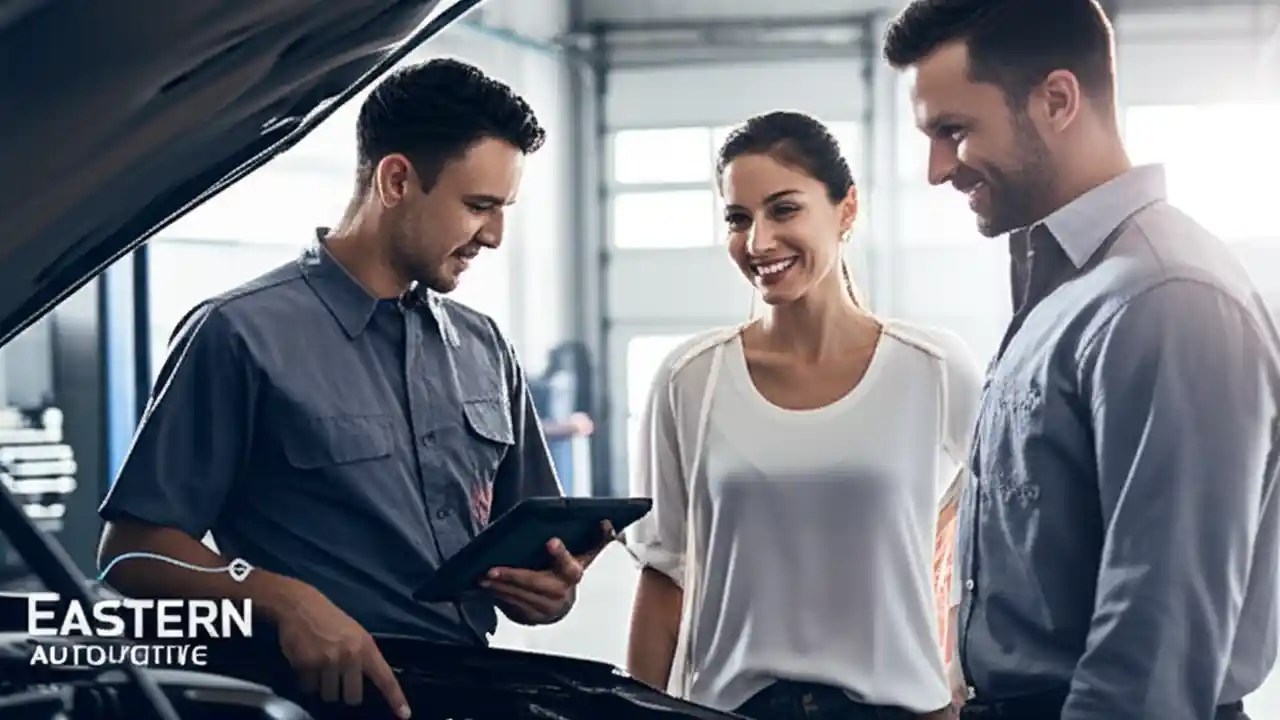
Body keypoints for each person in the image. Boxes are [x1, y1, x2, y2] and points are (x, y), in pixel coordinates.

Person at [96, 58, 610, 718]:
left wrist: (551, 589)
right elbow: (132, 550)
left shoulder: (486, 348)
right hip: (313, 704)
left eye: (503, 210)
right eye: (479, 206)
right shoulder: (238, 334)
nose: (494, 235)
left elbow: (536, 551)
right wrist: (284, 599)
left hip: (475, 693)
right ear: (396, 179)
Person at [883, 2, 1280, 719]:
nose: (937, 169)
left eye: (954, 131)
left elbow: (1156, 649)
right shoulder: (1066, 293)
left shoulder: (1165, 299)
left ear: (1057, 100)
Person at [623, 110, 983, 720]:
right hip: (734, 709)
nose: (758, 242)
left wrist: (954, 691)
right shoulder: (691, 379)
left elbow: (974, 557)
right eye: (739, 219)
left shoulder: (934, 368)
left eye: (784, 209)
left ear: (846, 210)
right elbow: (665, 578)